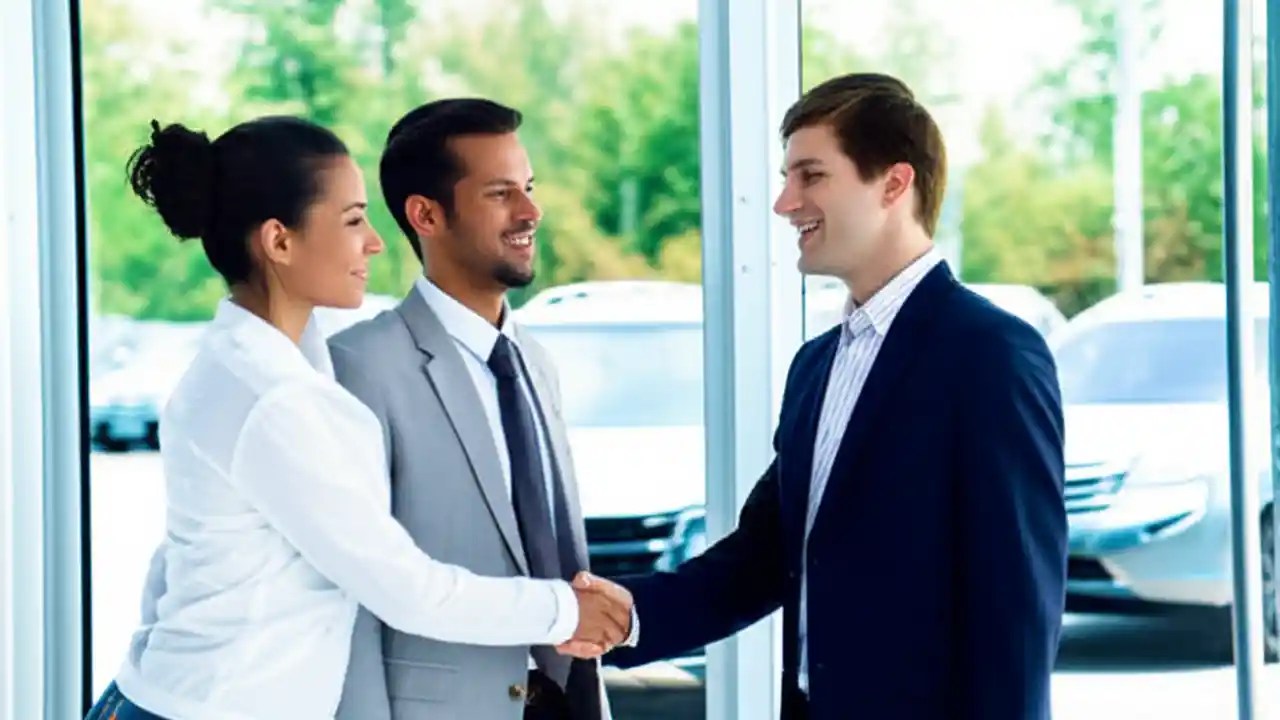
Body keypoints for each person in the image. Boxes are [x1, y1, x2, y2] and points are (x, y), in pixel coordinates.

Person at [85, 116, 630, 720]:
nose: (374, 240)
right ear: (280, 242)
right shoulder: (275, 398)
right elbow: (407, 590)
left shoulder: (261, 365)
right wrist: (563, 610)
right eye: (351, 220)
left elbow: (174, 566)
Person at [604, 73, 1068, 719]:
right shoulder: (816, 365)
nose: (784, 203)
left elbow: (1017, 606)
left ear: (894, 184)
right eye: (787, 177)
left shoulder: (988, 353)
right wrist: (623, 617)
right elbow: (765, 557)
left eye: (810, 176)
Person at [328, 98, 635, 720]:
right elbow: (346, 602)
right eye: (500, 194)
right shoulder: (359, 367)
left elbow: (558, 554)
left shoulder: (535, 363)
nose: (531, 212)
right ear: (426, 214)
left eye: (528, 188)